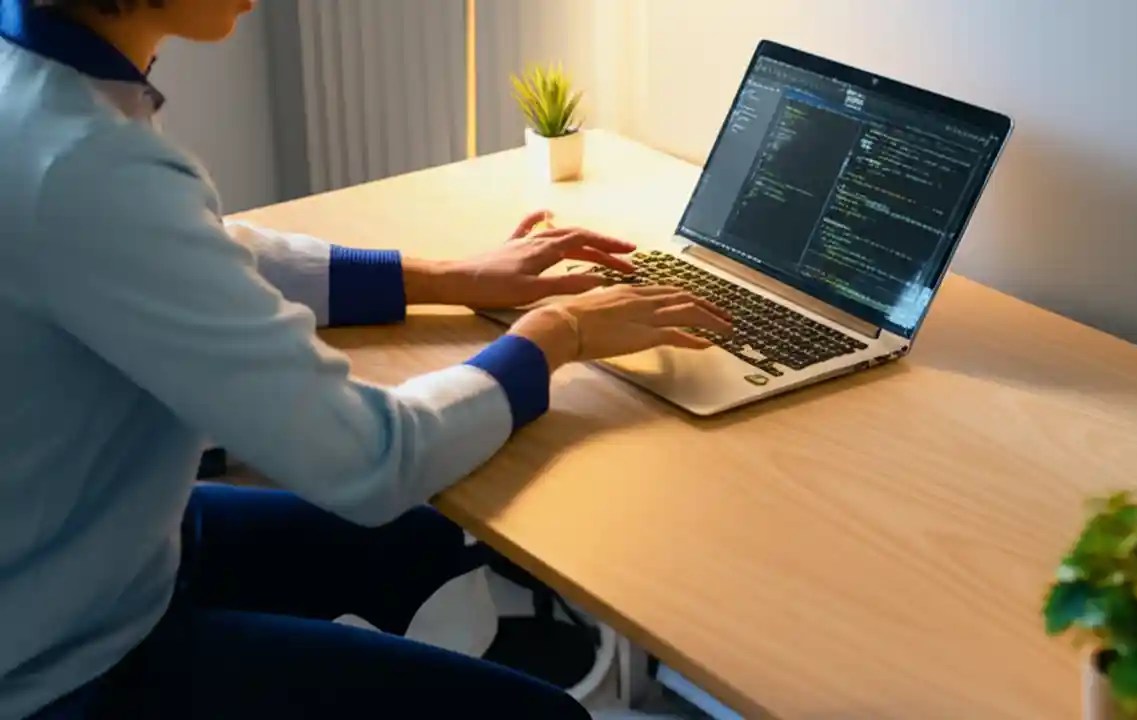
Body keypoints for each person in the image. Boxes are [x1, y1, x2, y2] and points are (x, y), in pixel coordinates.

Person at [0, 0, 731, 717]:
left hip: (90, 551)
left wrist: (448, 277)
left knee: (418, 541)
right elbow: (370, 458)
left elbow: (202, 247)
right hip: (63, 664)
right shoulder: (85, 163)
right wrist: (553, 336)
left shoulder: (41, 81)